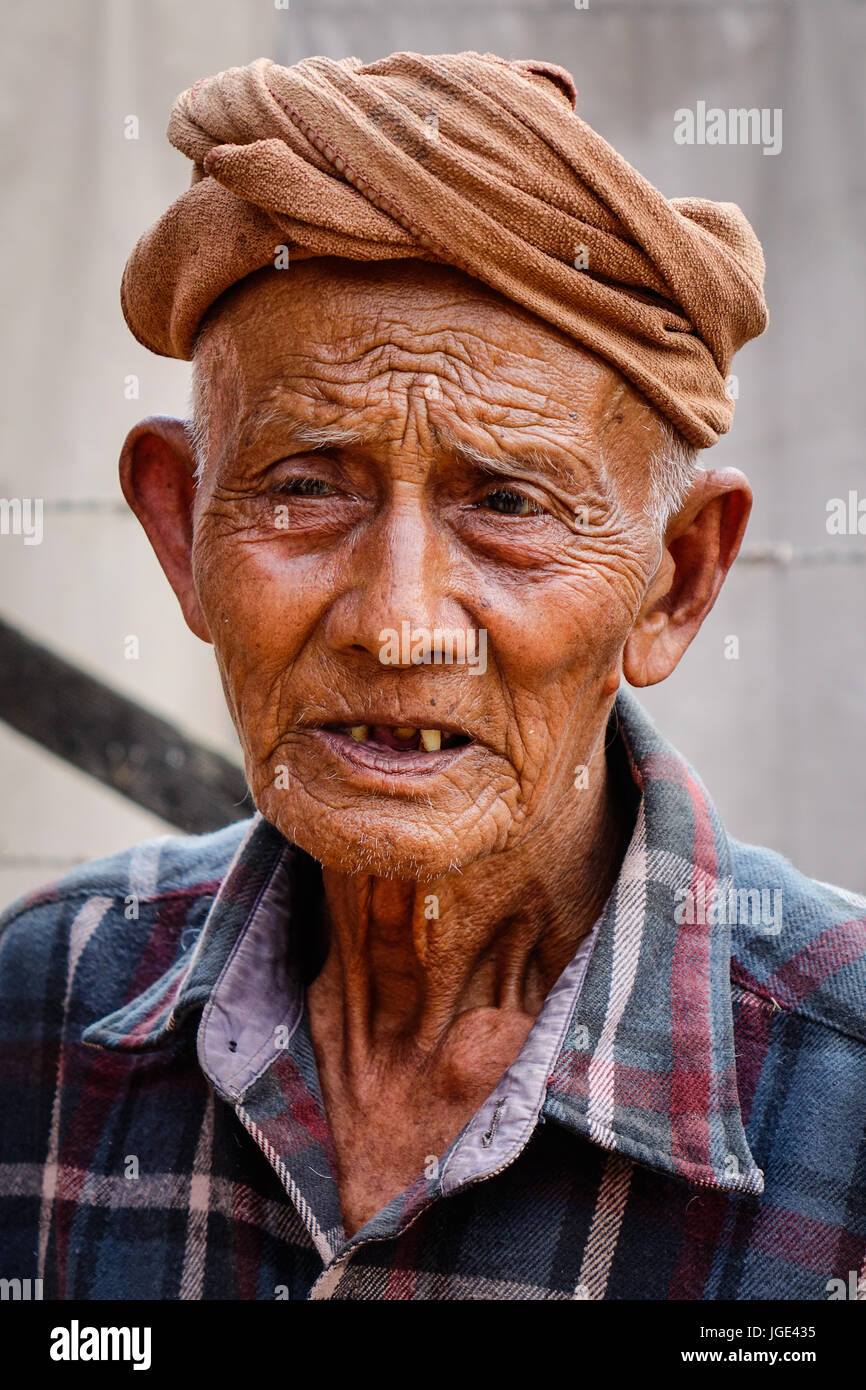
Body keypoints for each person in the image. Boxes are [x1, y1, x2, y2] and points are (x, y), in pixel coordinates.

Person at [1, 51, 863, 1301]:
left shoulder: (839, 1093)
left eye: (508, 504)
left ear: (674, 580)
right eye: (304, 488)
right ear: (180, 527)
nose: (398, 625)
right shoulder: (44, 1004)